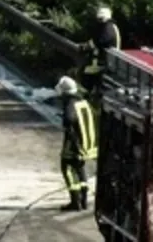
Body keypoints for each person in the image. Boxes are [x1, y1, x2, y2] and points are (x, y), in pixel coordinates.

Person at [54, 75, 97, 212]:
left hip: (75, 144)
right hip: (88, 143)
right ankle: (84, 200)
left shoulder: (70, 104)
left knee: (66, 168)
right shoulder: (83, 102)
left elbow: (69, 119)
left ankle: (75, 200)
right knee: (79, 168)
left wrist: (65, 122)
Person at [80, 7, 121, 96]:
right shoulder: (109, 27)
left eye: (101, 18)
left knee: (86, 78)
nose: (99, 20)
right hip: (105, 63)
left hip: (104, 64)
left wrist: (86, 47)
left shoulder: (108, 28)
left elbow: (99, 41)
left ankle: (87, 97)